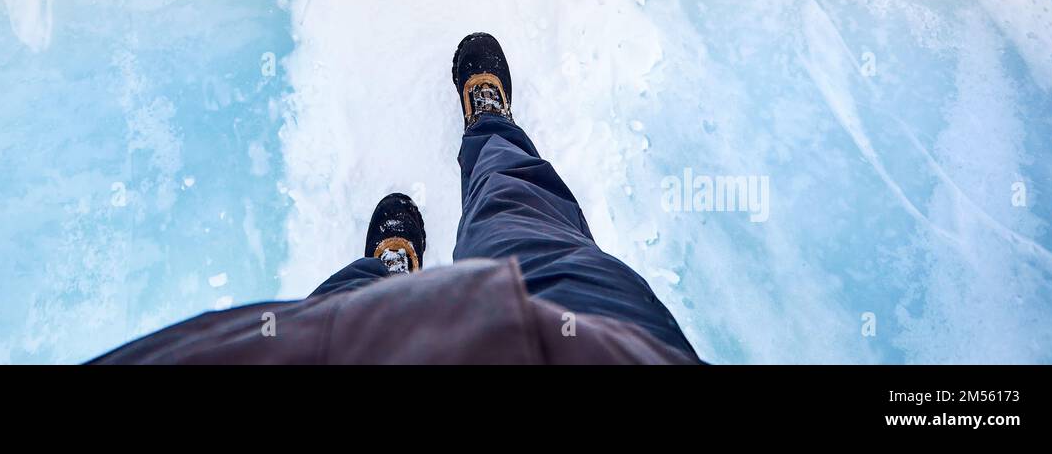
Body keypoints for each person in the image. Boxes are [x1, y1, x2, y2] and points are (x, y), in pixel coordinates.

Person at [91, 34, 700, 364]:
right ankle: (491, 133)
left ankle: (388, 270)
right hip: (606, 344)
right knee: (523, 227)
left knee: (340, 306)